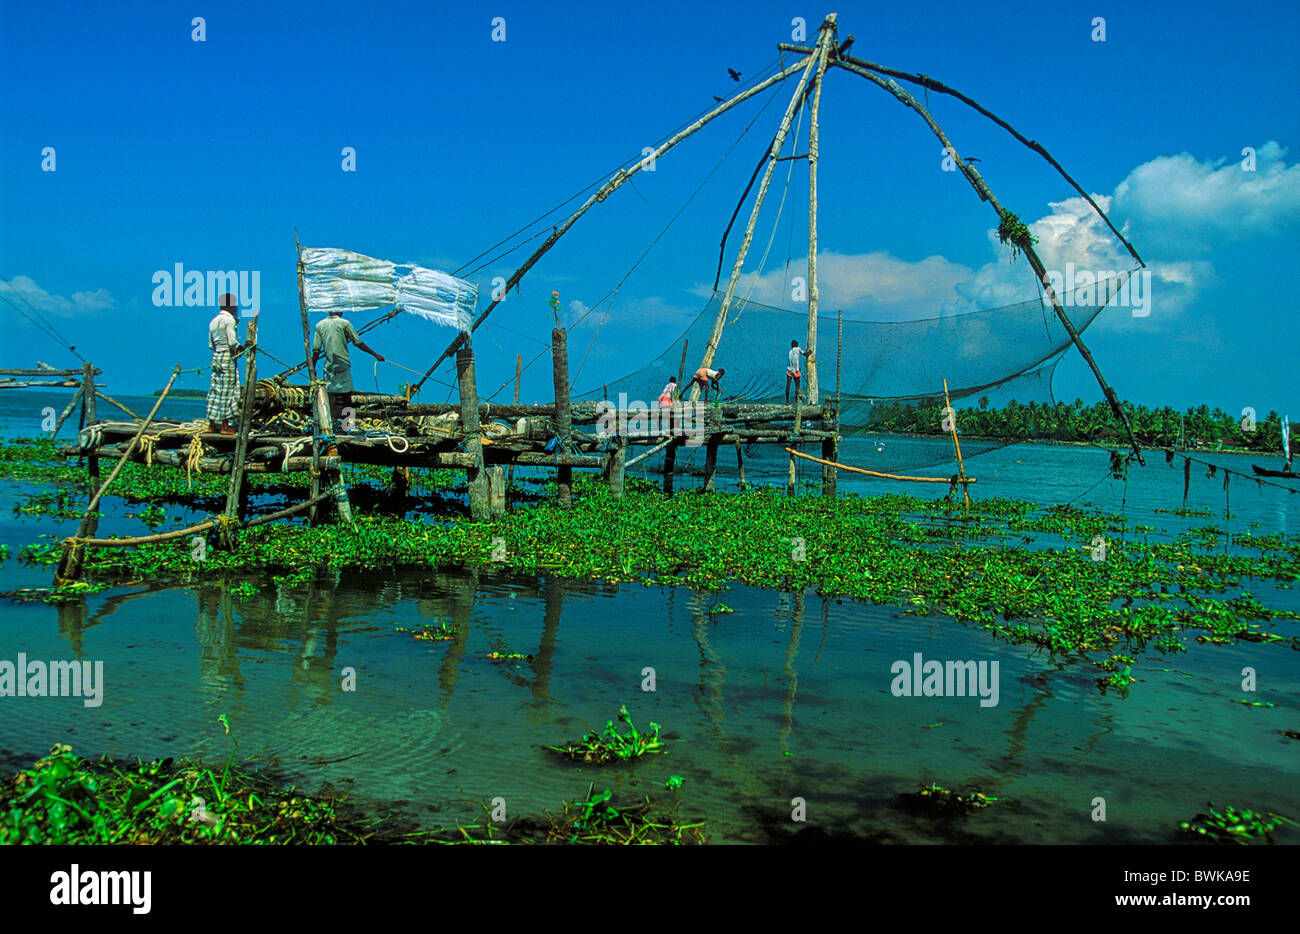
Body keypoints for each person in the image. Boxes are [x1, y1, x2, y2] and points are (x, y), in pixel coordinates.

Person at [311, 309, 384, 431]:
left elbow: (316, 351)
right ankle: (347, 428)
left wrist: (312, 368)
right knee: (347, 399)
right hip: (343, 366)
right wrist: (375, 354)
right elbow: (358, 343)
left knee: (331, 398)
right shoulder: (345, 323)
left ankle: (331, 427)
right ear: (339, 311)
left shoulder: (320, 325)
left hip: (329, 369)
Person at [206, 294, 244, 435]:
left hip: (216, 357)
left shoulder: (213, 321)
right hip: (227, 357)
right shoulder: (229, 320)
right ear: (231, 306)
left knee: (215, 390)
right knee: (229, 391)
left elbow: (211, 345)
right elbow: (233, 342)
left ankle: (212, 425)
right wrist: (243, 347)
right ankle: (225, 426)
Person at [786, 339, 811, 404]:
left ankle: (787, 401)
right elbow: (805, 354)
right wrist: (810, 352)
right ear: (797, 345)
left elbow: (792, 360)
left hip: (789, 370)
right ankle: (796, 402)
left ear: (791, 345)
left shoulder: (790, 351)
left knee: (788, 386)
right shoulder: (798, 349)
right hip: (796, 371)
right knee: (797, 385)